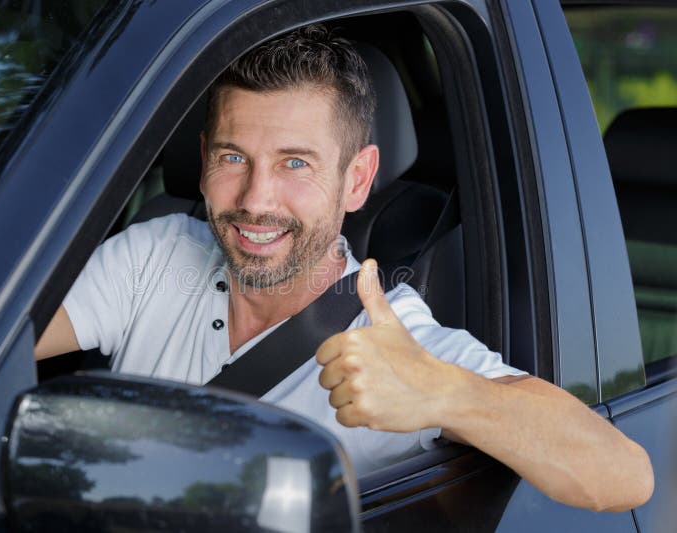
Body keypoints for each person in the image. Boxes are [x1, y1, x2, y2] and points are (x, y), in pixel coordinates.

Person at [35, 25, 653, 511]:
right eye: (233, 156)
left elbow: (623, 475)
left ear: (356, 178)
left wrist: (440, 391)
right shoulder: (157, 254)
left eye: (295, 163)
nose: (255, 199)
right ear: (202, 159)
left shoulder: (400, 348)